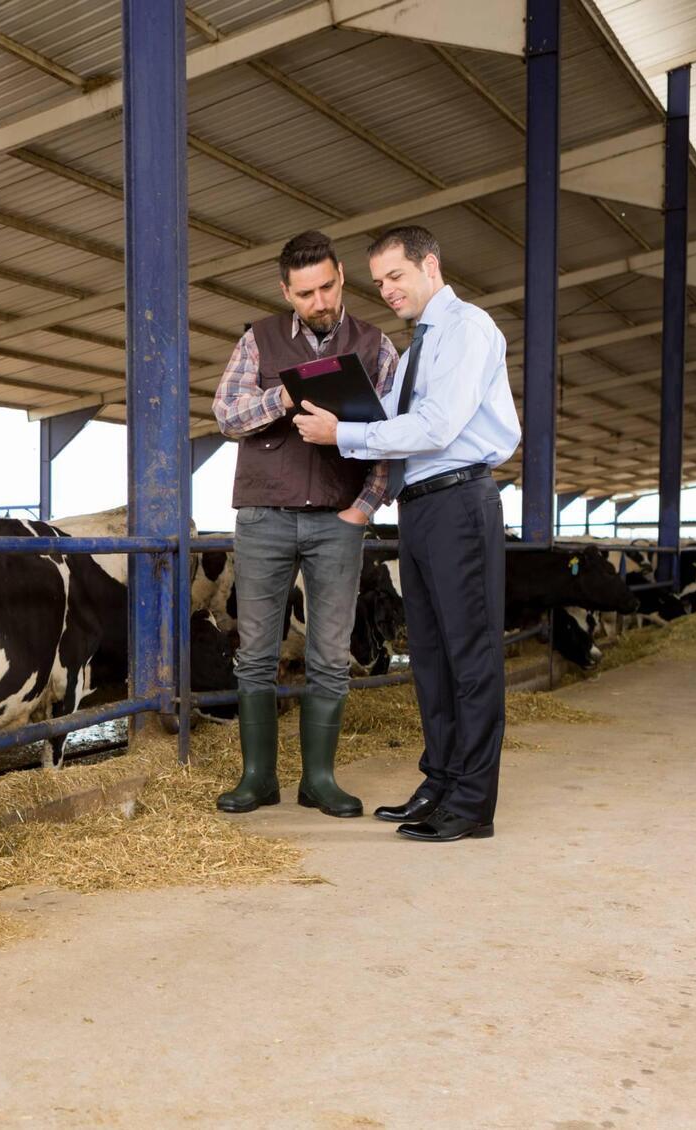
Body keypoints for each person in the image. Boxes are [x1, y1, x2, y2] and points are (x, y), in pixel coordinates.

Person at [292, 225, 520, 842]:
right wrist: (337, 412)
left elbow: (437, 426)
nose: (387, 290)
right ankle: (440, 782)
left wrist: (342, 433)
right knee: (429, 656)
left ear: (431, 265)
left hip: (459, 499)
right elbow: (391, 421)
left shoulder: (468, 328)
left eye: (396, 275)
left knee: (469, 655)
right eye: (379, 281)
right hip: (418, 506)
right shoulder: (417, 345)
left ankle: (472, 803)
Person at [210, 231, 399, 818]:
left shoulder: (376, 346)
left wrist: (365, 507)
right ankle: (258, 778)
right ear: (285, 292)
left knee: (330, 654)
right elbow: (226, 414)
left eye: (327, 287)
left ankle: (319, 779)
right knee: (256, 651)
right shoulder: (258, 339)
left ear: (341, 276)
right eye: (305, 293)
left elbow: (392, 437)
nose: (319, 302)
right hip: (264, 514)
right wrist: (287, 396)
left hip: (337, 518)